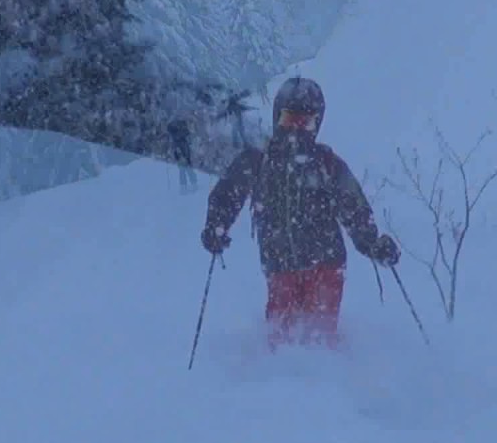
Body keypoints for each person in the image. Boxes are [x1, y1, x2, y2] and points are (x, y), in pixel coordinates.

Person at [199, 77, 400, 349]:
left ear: (317, 123)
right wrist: (216, 226)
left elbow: (353, 207)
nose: (296, 129)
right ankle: (282, 383)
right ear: (276, 117)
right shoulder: (259, 160)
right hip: (280, 265)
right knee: (280, 337)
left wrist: (372, 243)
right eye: (289, 119)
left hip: (325, 265)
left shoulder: (326, 163)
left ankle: (325, 381)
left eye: (305, 121)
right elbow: (228, 193)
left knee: (320, 336)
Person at [167, 116, 198, 193]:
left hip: (184, 152)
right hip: (181, 152)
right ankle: (188, 185)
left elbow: (187, 136)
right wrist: (180, 156)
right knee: (184, 170)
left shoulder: (180, 134)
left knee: (185, 170)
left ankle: (191, 184)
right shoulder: (178, 135)